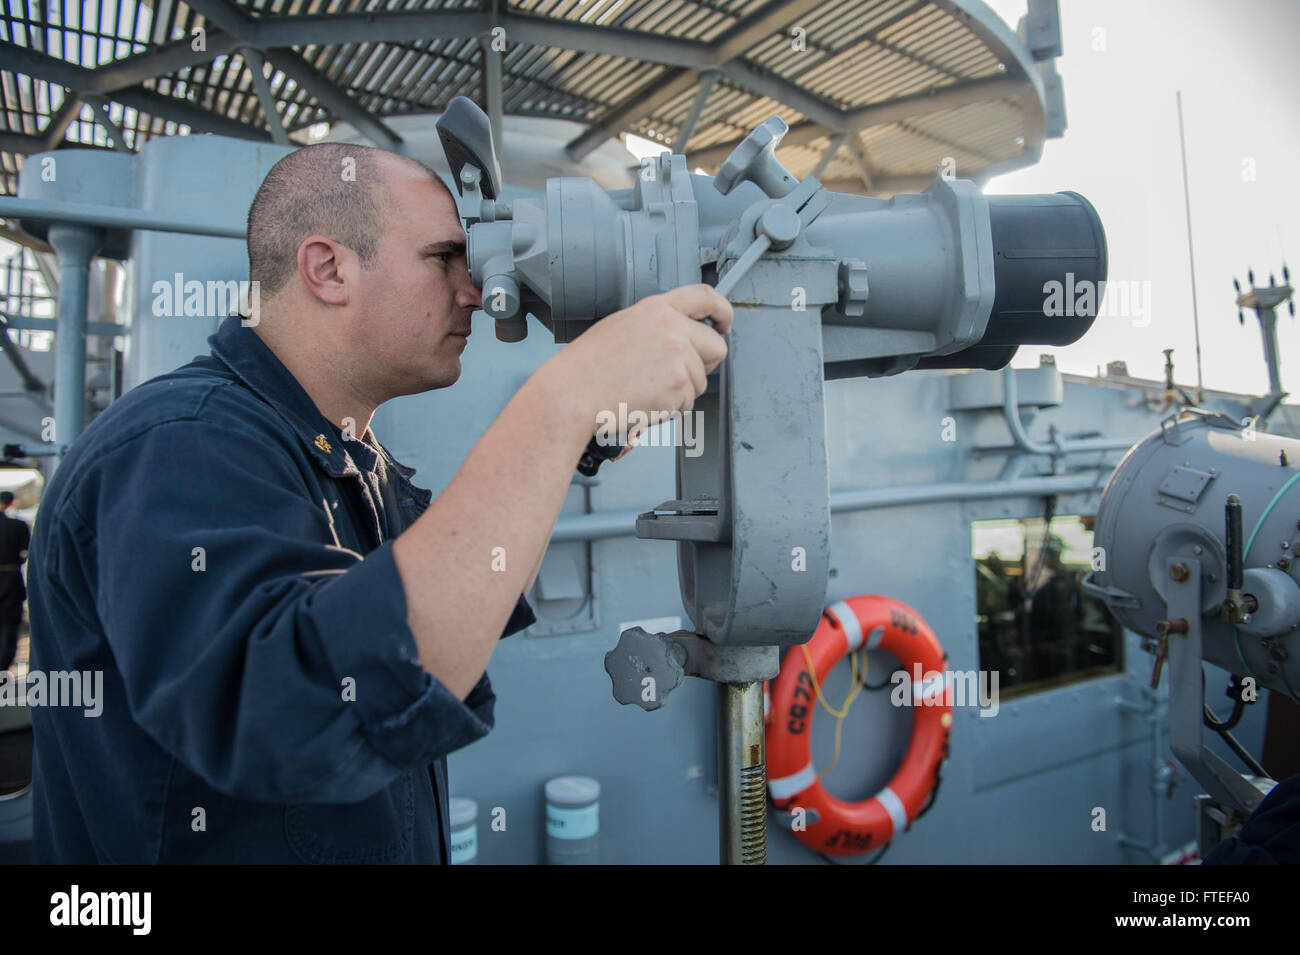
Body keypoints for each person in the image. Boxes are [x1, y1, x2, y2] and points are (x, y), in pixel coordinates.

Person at [26, 143, 732, 863]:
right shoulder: (179, 444)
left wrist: (575, 429)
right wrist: (560, 398)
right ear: (328, 269)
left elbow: (458, 606)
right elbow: (305, 707)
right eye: (442, 258)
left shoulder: (347, 455)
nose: (472, 290)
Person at [0, 490, 29, 672]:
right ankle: (3, 665)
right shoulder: (19, 526)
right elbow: (24, 555)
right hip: (11, 580)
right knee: (9, 627)